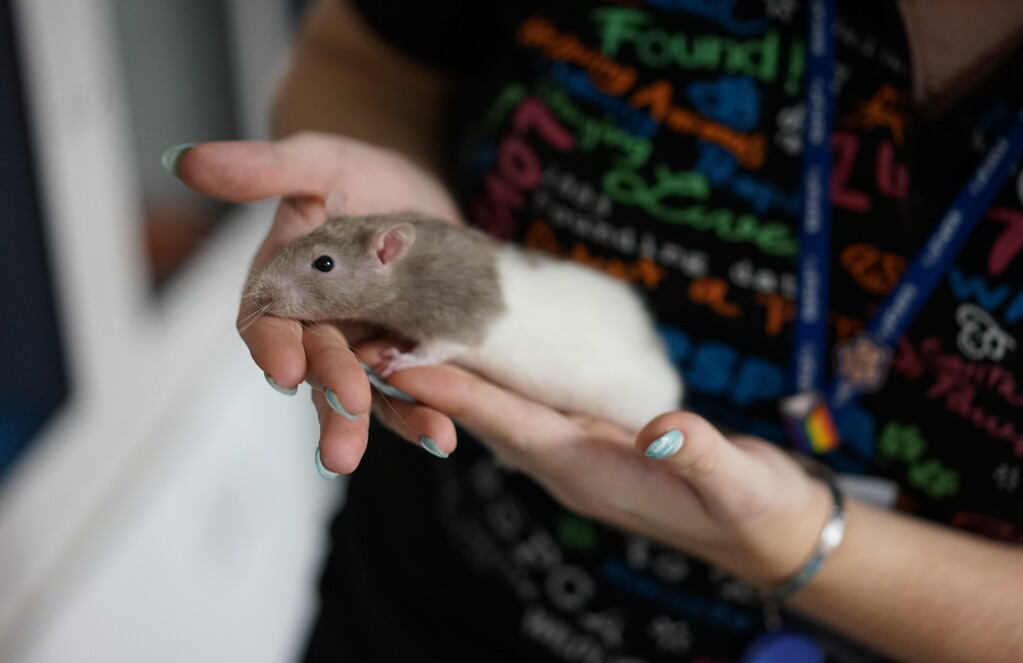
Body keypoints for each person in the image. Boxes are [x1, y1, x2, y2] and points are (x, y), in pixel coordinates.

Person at [167, 0, 1023, 660]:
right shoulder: (413, 262)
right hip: (430, 610)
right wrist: (373, 164)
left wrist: (797, 542)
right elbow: (366, 59)